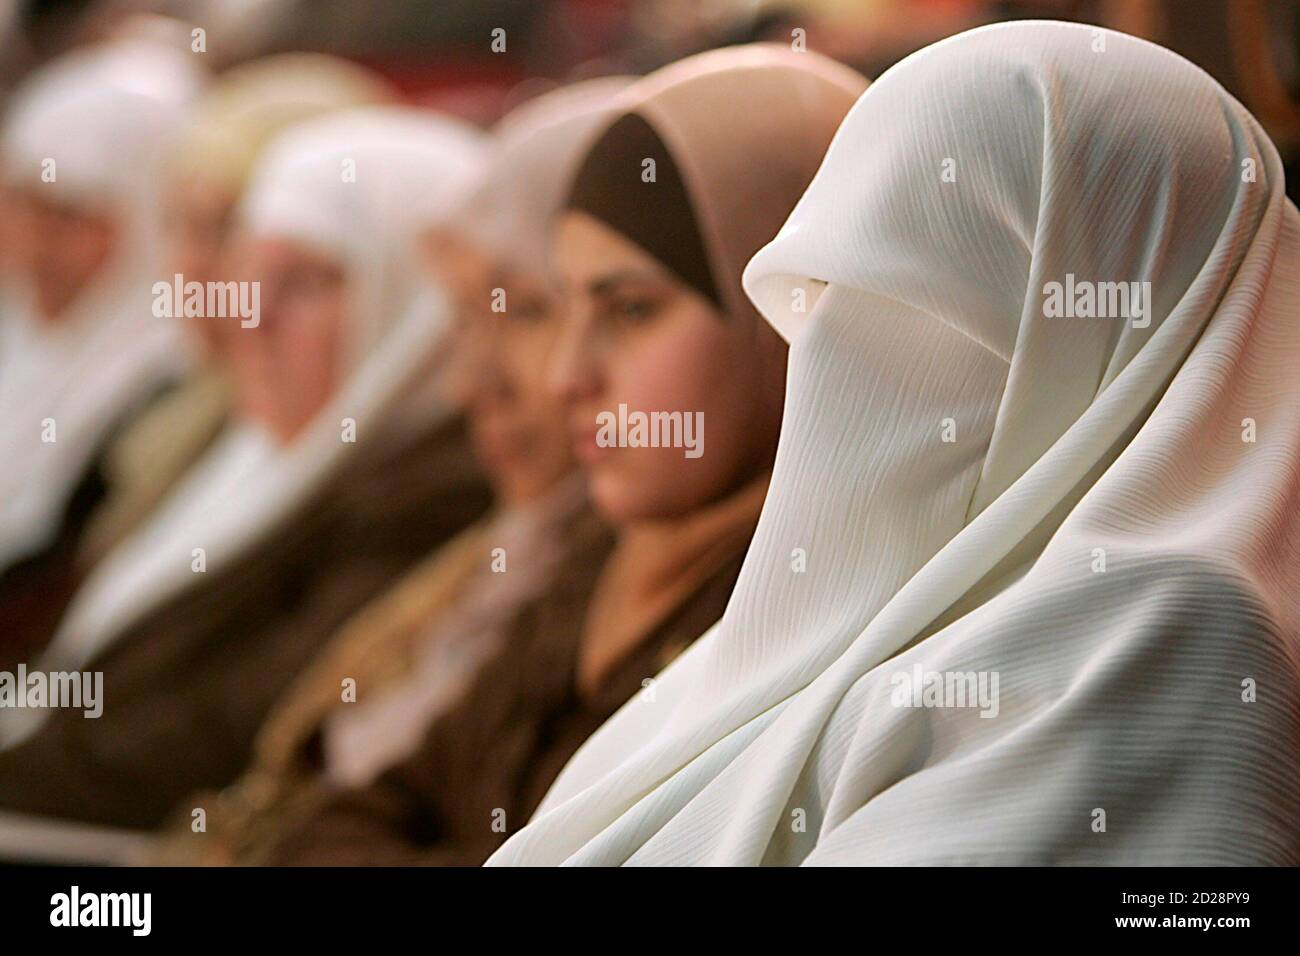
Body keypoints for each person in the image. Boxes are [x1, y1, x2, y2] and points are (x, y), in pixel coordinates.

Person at [489, 21, 1300, 867]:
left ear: (1104, 314)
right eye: (835, 303)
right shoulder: (812, 620)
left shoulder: (1163, 625)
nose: (846, 369)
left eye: (924, 304)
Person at [265, 46, 866, 865]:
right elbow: (360, 809)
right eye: (567, 308)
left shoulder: (814, 625)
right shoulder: (602, 564)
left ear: (792, 318)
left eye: (632, 310)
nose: (565, 376)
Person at [150, 77, 631, 866]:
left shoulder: (442, 505)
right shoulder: (515, 543)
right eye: (469, 313)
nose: (469, 382)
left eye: (528, 310)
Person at [0, 107, 494, 839]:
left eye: (307, 283)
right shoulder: (248, 446)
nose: (247, 318)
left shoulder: (430, 498)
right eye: (249, 275)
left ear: (412, 310)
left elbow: (213, 736)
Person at [72, 53, 395, 572]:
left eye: (225, 231)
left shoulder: (352, 480)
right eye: (177, 225)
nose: (189, 267)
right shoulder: (183, 403)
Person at [0, 35, 203, 665]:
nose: (32, 245)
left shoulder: (167, 386)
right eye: (22, 205)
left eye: (71, 216)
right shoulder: (21, 327)